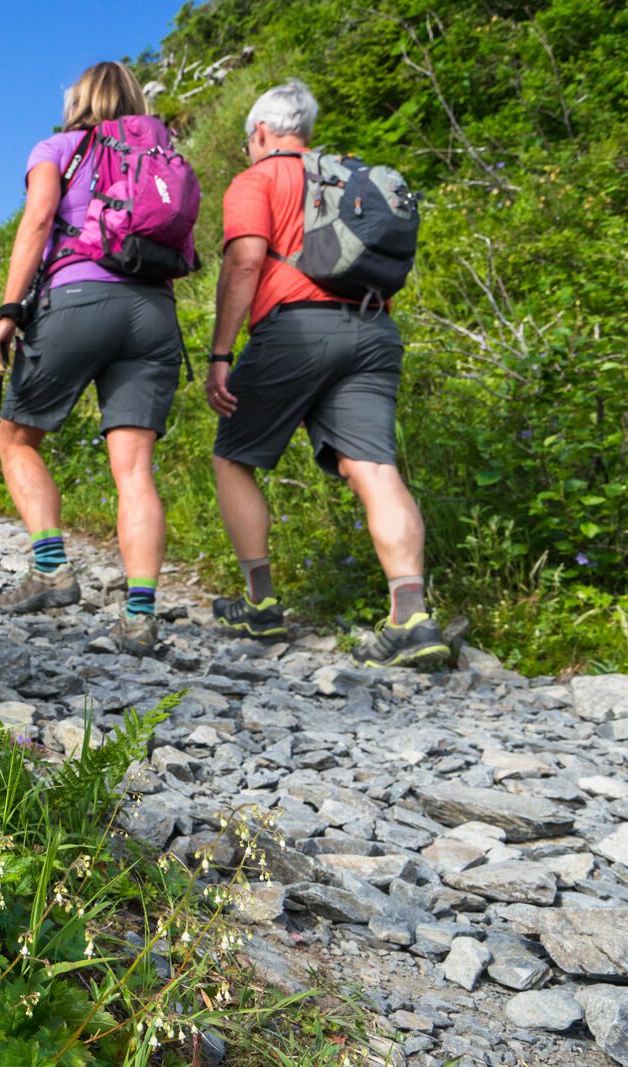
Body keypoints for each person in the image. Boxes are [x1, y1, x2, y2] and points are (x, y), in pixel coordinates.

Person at [204, 79, 450, 668]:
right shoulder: (345, 176)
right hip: (373, 327)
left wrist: (220, 354)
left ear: (261, 131)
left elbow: (245, 262)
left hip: (295, 329)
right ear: (306, 132)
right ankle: (411, 618)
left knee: (233, 457)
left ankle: (261, 604)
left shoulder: (257, 178)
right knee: (374, 467)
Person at [0, 62, 186, 655]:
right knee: (134, 470)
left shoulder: (58, 148)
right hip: (154, 311)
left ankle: (51, 569)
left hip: (78, 300)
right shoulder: (162, 154)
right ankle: (140, 619)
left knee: (16, 439)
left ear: (78, 102)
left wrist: (9, 310)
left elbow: (38, 220)